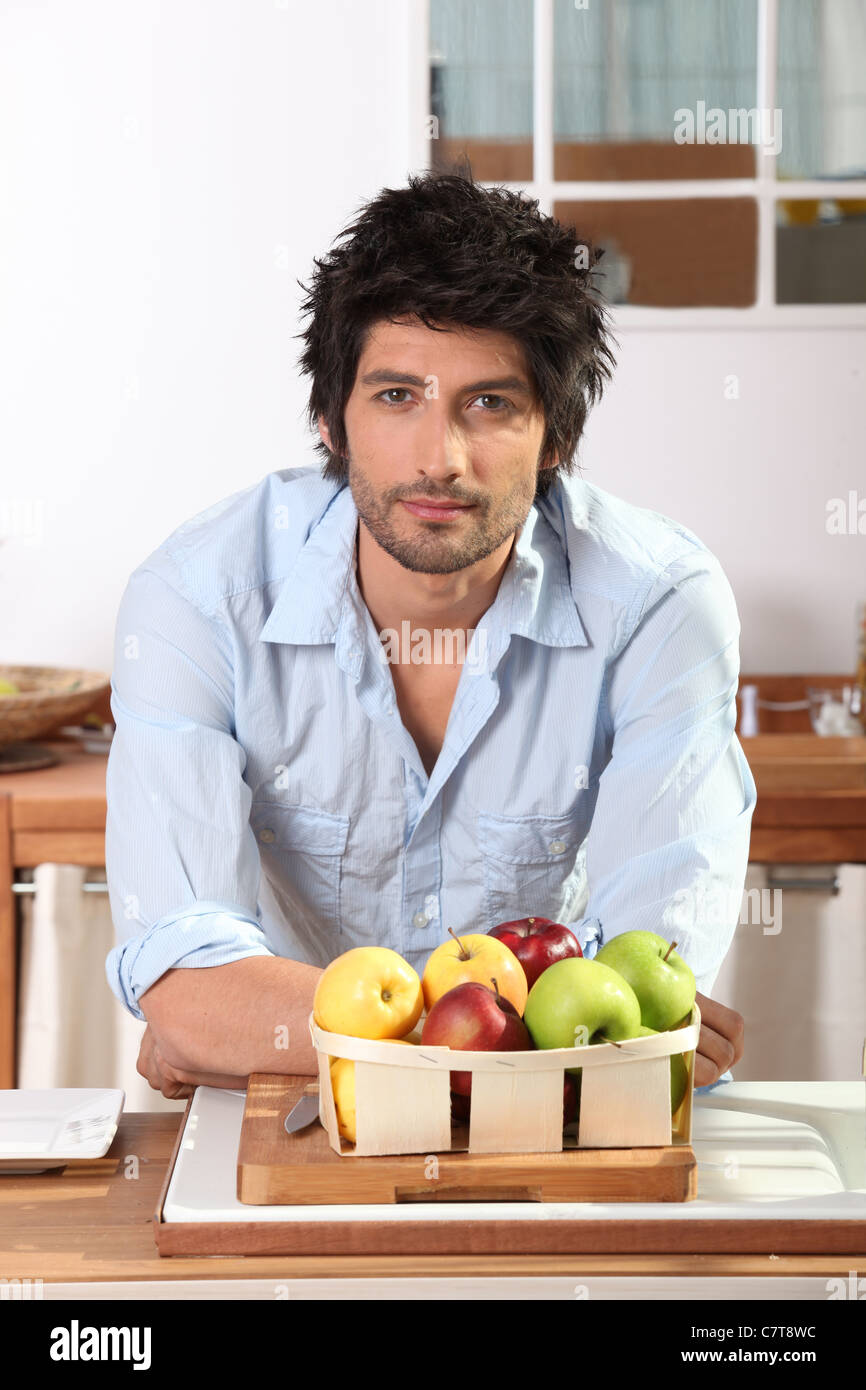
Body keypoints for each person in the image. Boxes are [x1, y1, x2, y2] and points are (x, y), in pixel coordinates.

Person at [105, 169, 752, 1100]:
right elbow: (183, 977)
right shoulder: (199, 595)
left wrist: (252, 1024)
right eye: (396, 396)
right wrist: (206, 1016)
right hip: (292, 1116)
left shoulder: (659, 604)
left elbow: (642, 997)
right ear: (330, 420)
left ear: (556, 437)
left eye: (490, 404)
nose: (439, 459)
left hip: (493, 1122)